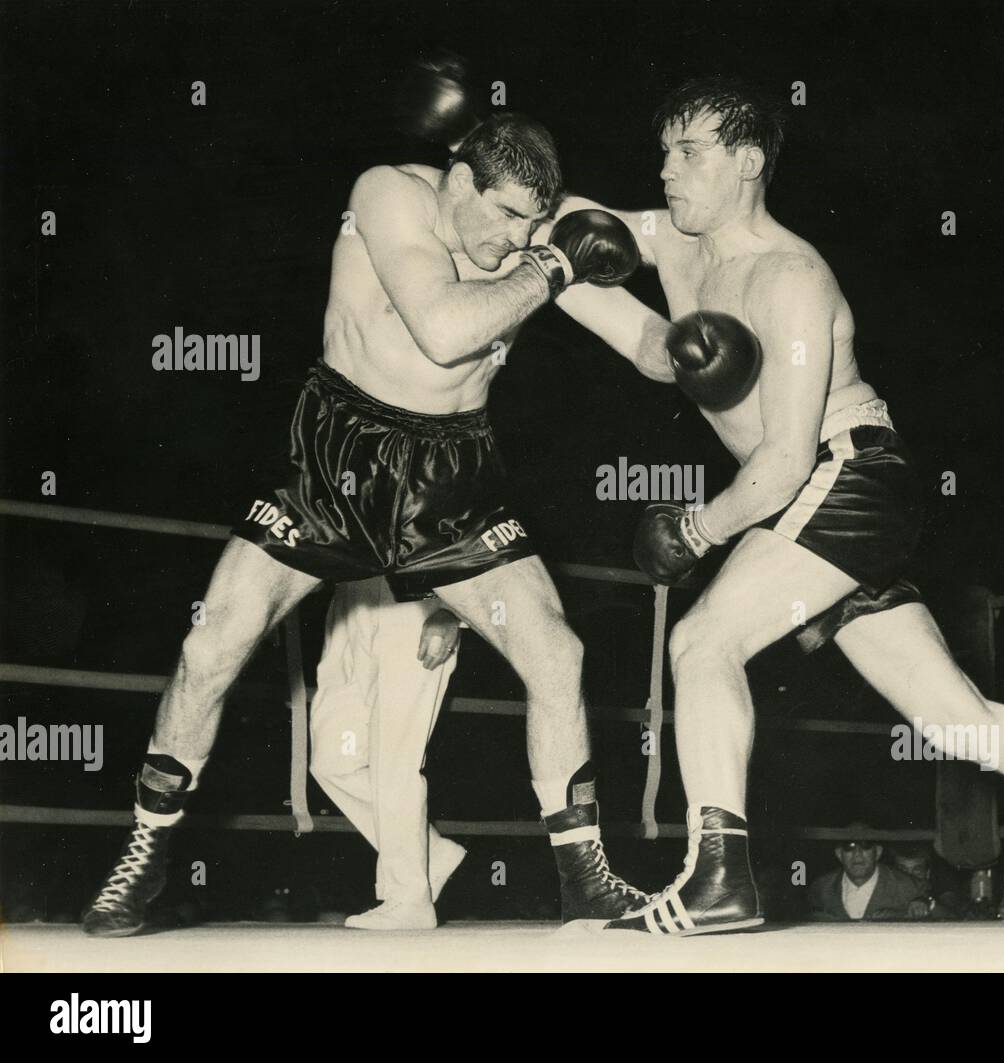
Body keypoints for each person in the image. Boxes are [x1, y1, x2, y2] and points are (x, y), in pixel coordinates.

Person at [553, 76, 1004, 936]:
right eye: (664, 152)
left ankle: (719, 878)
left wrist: (694, 527)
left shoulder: (791, 279)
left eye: (691, 152)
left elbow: (786, 461)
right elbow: (572, 214)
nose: (668, 170)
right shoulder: (675, 243)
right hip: (816, 504)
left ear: (749, 162)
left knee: (702, 639)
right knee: (957, 723)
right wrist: (493, 196)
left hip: (842, 479)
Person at [82, 112, 648, 936]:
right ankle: (145, 852)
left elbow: (644, 331)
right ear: (460, 182)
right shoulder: (387, 195)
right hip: (340, 461)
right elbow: (446, 328)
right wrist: (557, 262)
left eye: (537, 221)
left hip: (452, 479)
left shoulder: (541, 227)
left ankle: (586, 879)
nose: (520, 237)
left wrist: (699, 347)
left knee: (556, 651)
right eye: (505, 216)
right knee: (212, 644)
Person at [309, 577, 467, 930]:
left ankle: (409, 898)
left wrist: (452, 612)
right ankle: (431, 853)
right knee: (332, 759)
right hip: (349, 604)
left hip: (414, 605)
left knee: (395, 759)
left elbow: (474, 533)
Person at [808, 828, 927, 922]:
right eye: (849, 847)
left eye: (866, 846)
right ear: (839, 854)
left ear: (878, 852)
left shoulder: (908, 886)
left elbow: (940, 911)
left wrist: (924, 902)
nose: (857, 854)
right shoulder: (821, 888)